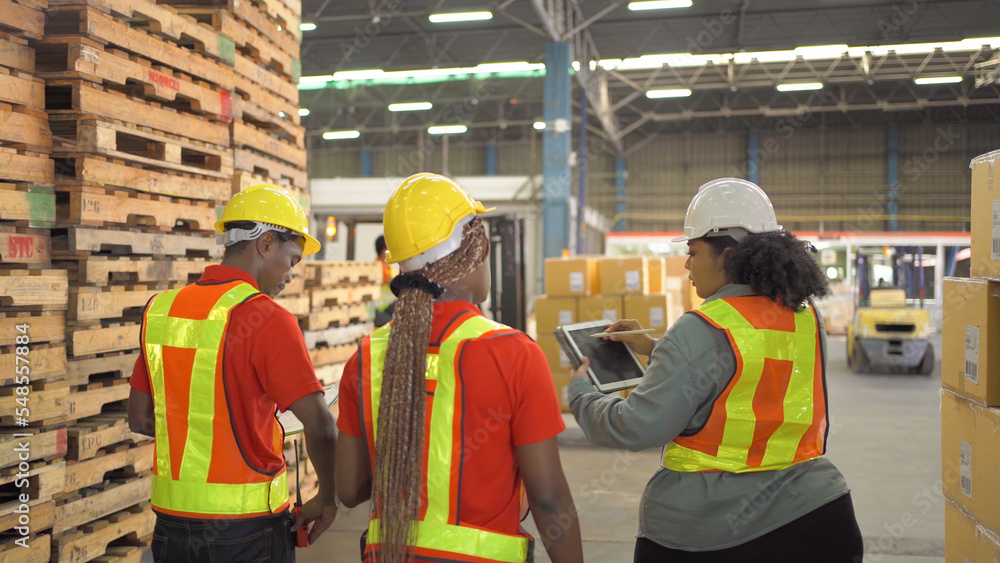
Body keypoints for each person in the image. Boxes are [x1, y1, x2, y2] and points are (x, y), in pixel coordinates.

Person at [569, 178, 864, 563]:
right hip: (820, 518)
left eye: (693, 251)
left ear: (726, 255)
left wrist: (581, 395)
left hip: (714, 531)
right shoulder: (805, 315)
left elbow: (638, 426)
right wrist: (659, 350)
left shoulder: (701, 327)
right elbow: (754, 369)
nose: (687, 264)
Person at [335, 173, 583, 563]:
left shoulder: (367, 356)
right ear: (469, 257)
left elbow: (349, 489)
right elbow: (549, 501)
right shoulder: (514, 354)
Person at [127, 185, 339, 562]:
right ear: (266, 243)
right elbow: (320, 426)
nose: (291, 275)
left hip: (170, 528)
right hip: (248, 532)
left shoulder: (161, 310)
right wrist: (326, 497)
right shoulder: (268, 319)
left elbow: (141, 418)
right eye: (292, 260)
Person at [373, 234, 397, 327]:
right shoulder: (379, 267)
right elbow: (393, 285)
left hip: (387, 306)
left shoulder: (387, 267)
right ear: (384, 251)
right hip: (381, 308)